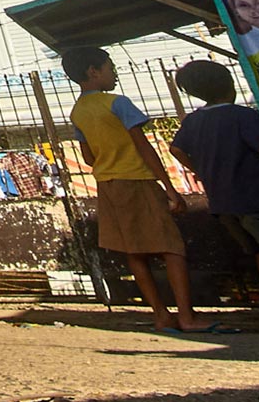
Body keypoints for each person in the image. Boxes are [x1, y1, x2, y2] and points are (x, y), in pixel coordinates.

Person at [60, 45, 212, 333]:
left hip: (107, 184)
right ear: (94, 71)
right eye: (109, 68)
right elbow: (143, 146)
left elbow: (88, 157)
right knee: (171, 248)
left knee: (134, 251)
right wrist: (169, 187)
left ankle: (160, 314)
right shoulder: (118, 103)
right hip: (138, 179)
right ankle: (187, 316)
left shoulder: (77, 111)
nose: (113, 74)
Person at [169, 59, 259, 337]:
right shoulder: (242, 115)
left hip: (223, 202)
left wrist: (201, 169)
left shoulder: (194, 120)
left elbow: (175, 149)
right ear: (229, 84)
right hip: (256, 197)